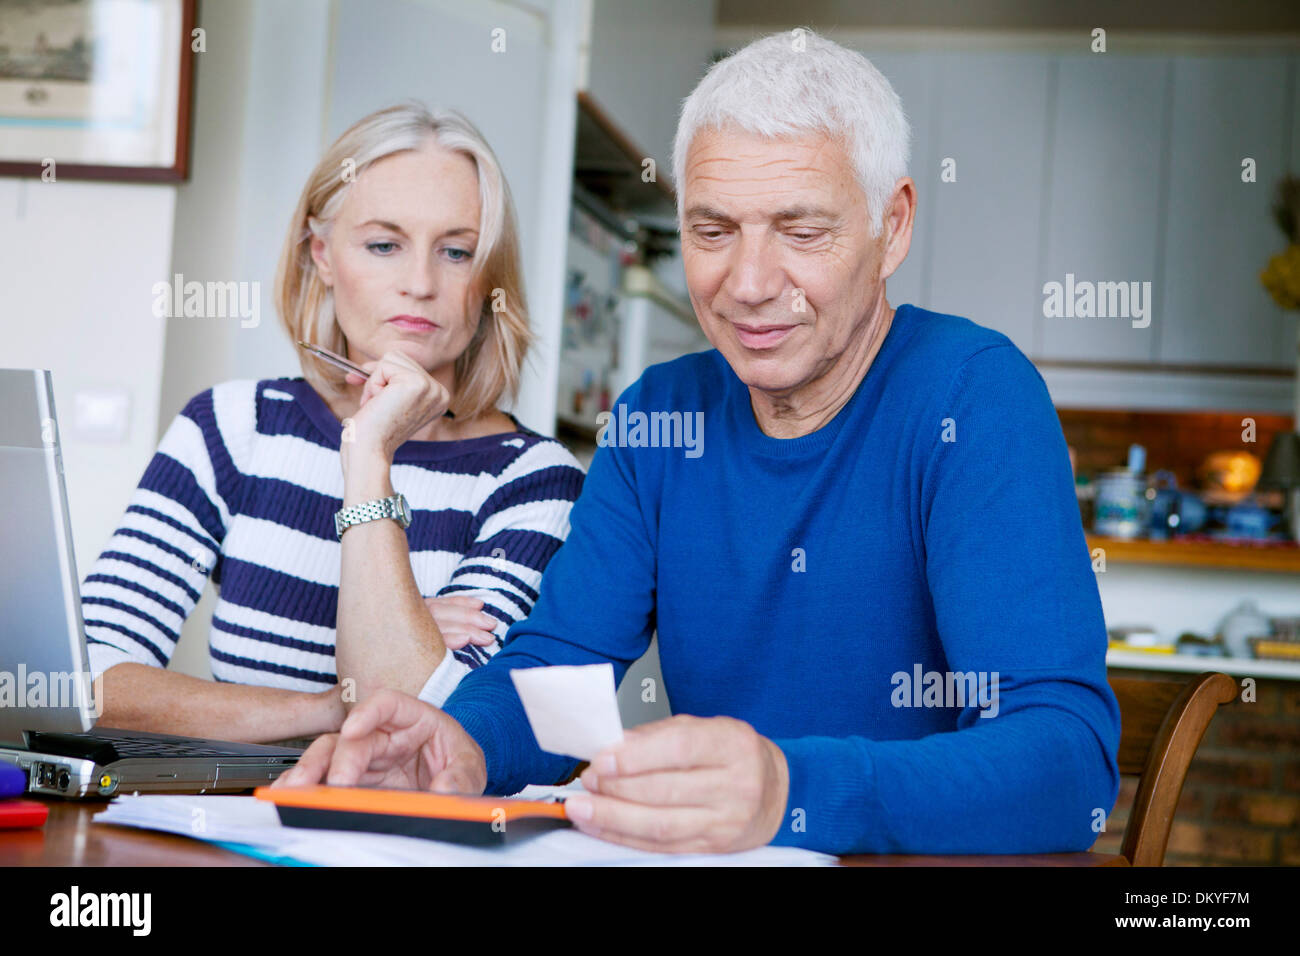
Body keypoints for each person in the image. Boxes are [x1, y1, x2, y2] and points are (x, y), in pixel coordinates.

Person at [278, 31, 1120, 856]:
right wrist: (461, 744)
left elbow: (1067, 759)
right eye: (713, 232)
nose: (748, 284)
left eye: (801, 231)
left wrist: (791, 790)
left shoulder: (974, 395)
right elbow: (561, 665)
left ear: (891, 227)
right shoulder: (657, 415)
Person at [80, 103, 585, 744]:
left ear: (488, 281)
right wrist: (326, 706)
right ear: (322, 254)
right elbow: (83, 680)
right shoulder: (234, 427)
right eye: (383, 245)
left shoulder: (535, 480)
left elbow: (430, 734)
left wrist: (370, 453)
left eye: (456, 252)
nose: (420, 283)